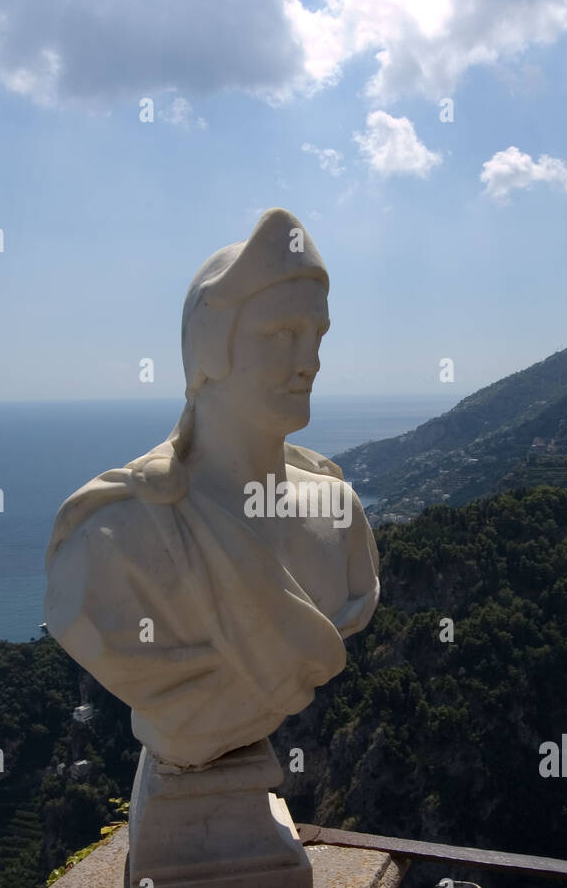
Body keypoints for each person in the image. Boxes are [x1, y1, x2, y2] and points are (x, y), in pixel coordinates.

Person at [44, 208, 379, 769]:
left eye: (317, 335)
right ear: (209, 350)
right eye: (282, 334)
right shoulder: (110, 539)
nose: (310, 363)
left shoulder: (340, 513)